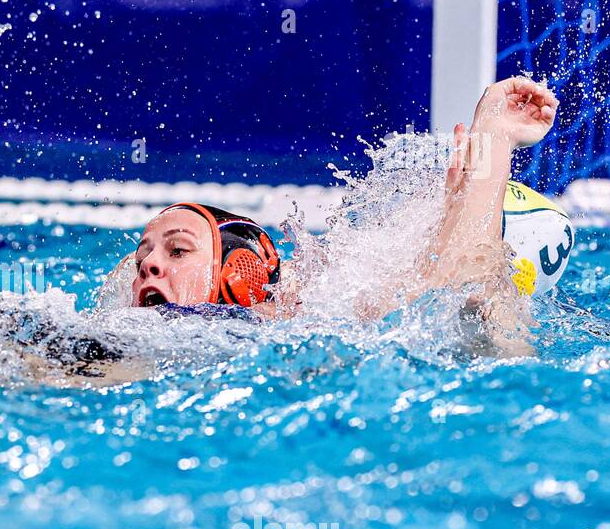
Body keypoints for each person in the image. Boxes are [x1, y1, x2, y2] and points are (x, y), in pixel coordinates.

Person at [113, 77, 560, 339]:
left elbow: (459, 279)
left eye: (178, 251)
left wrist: (490, 147)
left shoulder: (304, 328)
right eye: (142, 258)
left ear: (242, 271)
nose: (147, 265)